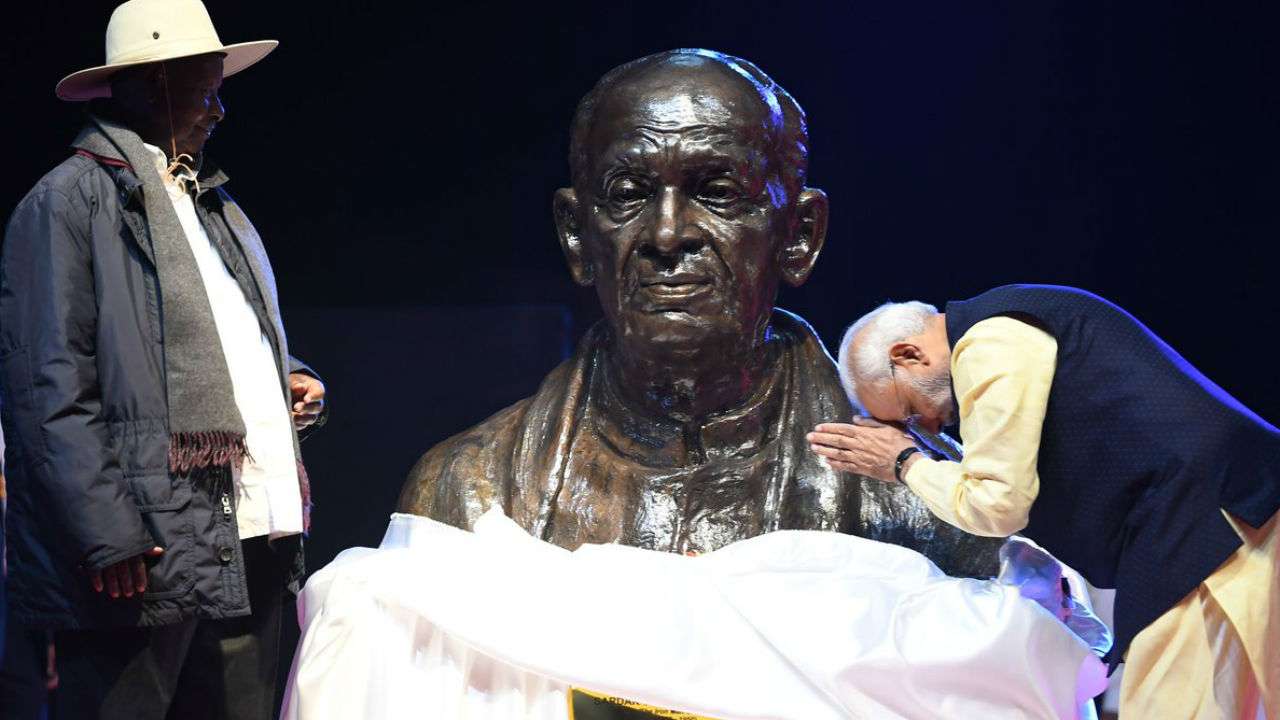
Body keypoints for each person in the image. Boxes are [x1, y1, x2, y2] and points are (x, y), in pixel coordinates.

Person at [396, 49, 1001, 577]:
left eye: (717, 192)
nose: (666, 234)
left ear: (799, 236)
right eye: (628, 194)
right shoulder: (469, 490)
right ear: (577, 235)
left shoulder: (935, 501)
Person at [0, 1, 327, 718]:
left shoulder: (208, 202)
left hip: (242, 528)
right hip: (143, 548)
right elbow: (46, 385)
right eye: (205, 90)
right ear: (149, 86)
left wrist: (288, 375)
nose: (218, 111)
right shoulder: (67, 205)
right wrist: (105, 533)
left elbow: (220, 330)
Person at [809, 284, 1279, 717]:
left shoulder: (988, 342)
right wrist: (925, 458)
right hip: (1228, 513)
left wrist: (905, 464)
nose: (928, 426)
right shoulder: (1006, 327)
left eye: (911, 412)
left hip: (1211, 522)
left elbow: (997, 504)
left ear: (909, 355)